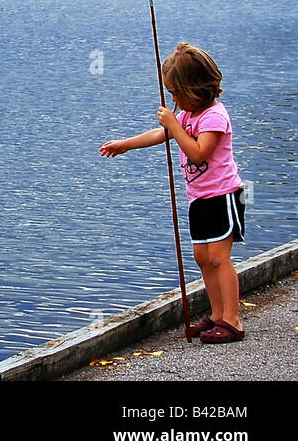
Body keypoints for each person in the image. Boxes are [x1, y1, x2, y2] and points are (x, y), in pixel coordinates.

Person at [99, 43, 245, 342]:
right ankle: (217, 315)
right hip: (199, 199)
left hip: (223, 196)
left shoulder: (214, 116)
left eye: (175, 93)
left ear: (195, 89)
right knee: (202, 257)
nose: (173, 100)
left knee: (219, 258)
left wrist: (174, 127)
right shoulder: (187, 115)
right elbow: (161, 133)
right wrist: (126, 143)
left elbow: (199, 154)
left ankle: (233, 320)